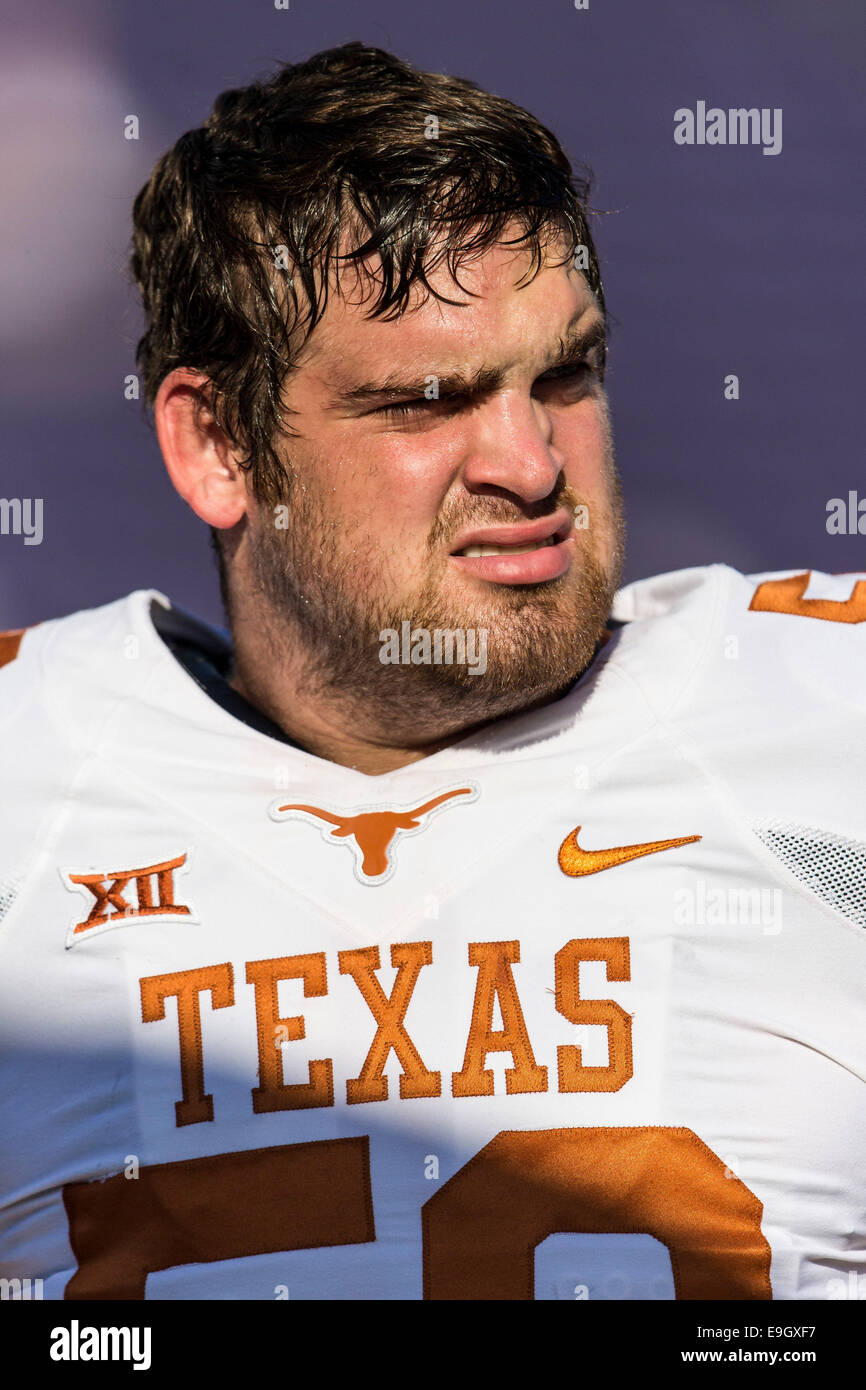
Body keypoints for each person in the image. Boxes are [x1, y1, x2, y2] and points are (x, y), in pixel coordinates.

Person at [0, 40, 863, 1302]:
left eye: (563, 375)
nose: (529, 461)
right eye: (425, 399)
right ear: (217, 443)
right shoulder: (30, 778)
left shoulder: (826, 709)